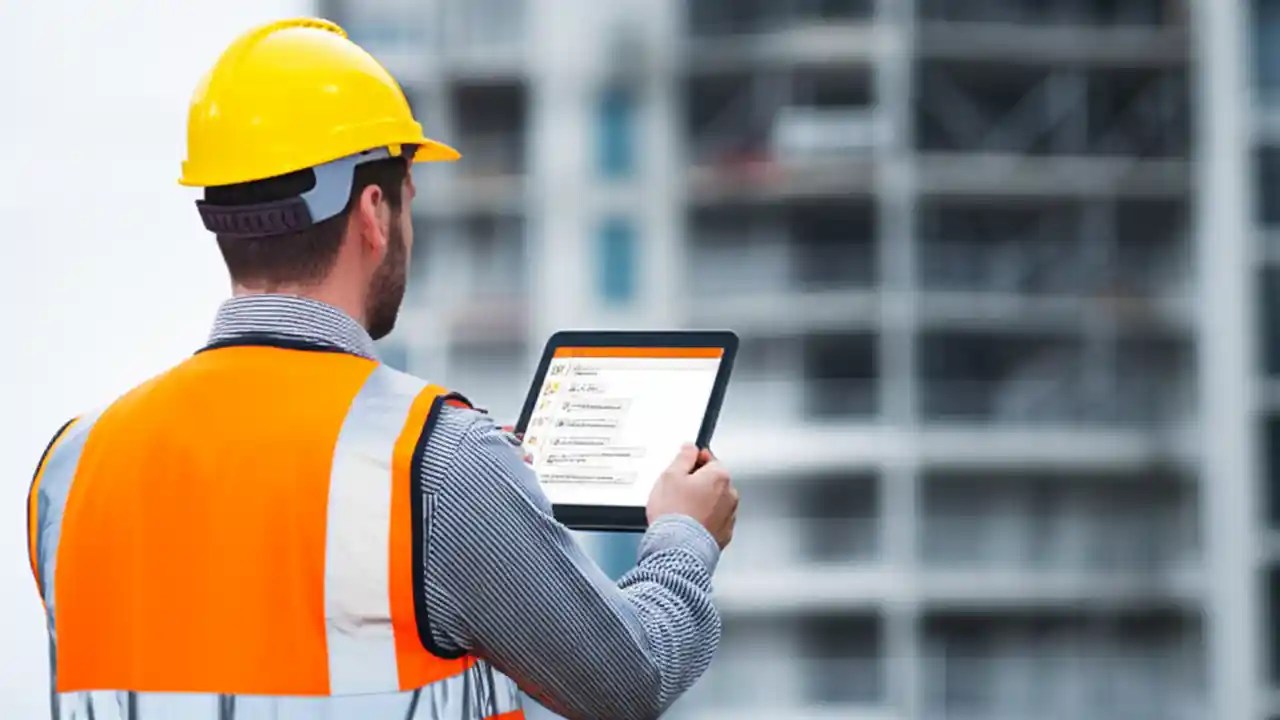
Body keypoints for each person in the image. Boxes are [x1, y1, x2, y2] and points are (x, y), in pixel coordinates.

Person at [25, 17, 738, 720]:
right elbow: (629, 681)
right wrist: (685, 534)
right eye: (407, 195)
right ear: (373, 212)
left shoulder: (72, 467)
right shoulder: (438, 464)